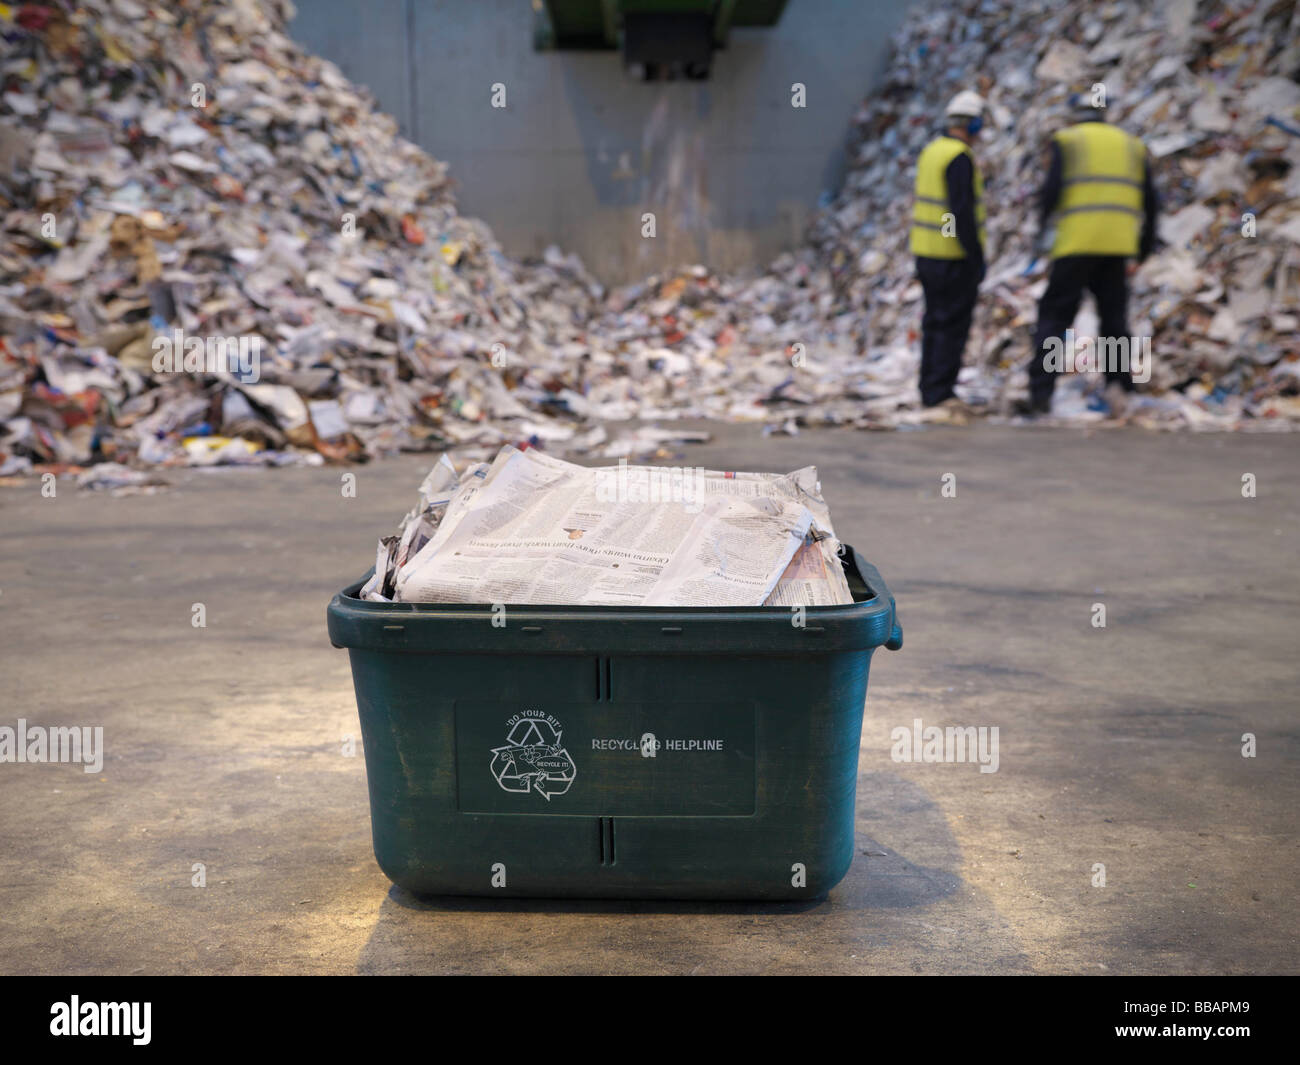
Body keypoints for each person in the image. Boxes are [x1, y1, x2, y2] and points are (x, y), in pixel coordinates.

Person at [1022, 95, 1159, 416]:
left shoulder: (1068, 141)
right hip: (1117, 245)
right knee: (1113, 320)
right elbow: (1151, 201)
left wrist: (1043, 232)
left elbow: (1052, 191)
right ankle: (1120, 387)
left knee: (1055, 317)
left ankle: (1041, 392)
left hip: (1076, 244)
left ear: (1075, 116)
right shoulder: (1131, 145)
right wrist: (1143, 247)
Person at [909, 90, 987, 421]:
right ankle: (941, 391)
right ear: (974, 123)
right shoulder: (958, 157)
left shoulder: (931, 151)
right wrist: (974, 255)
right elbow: (959, 212)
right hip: (951, 258)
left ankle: (930, 388)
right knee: (952, 325)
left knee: (934, 322)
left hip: (925, 254)